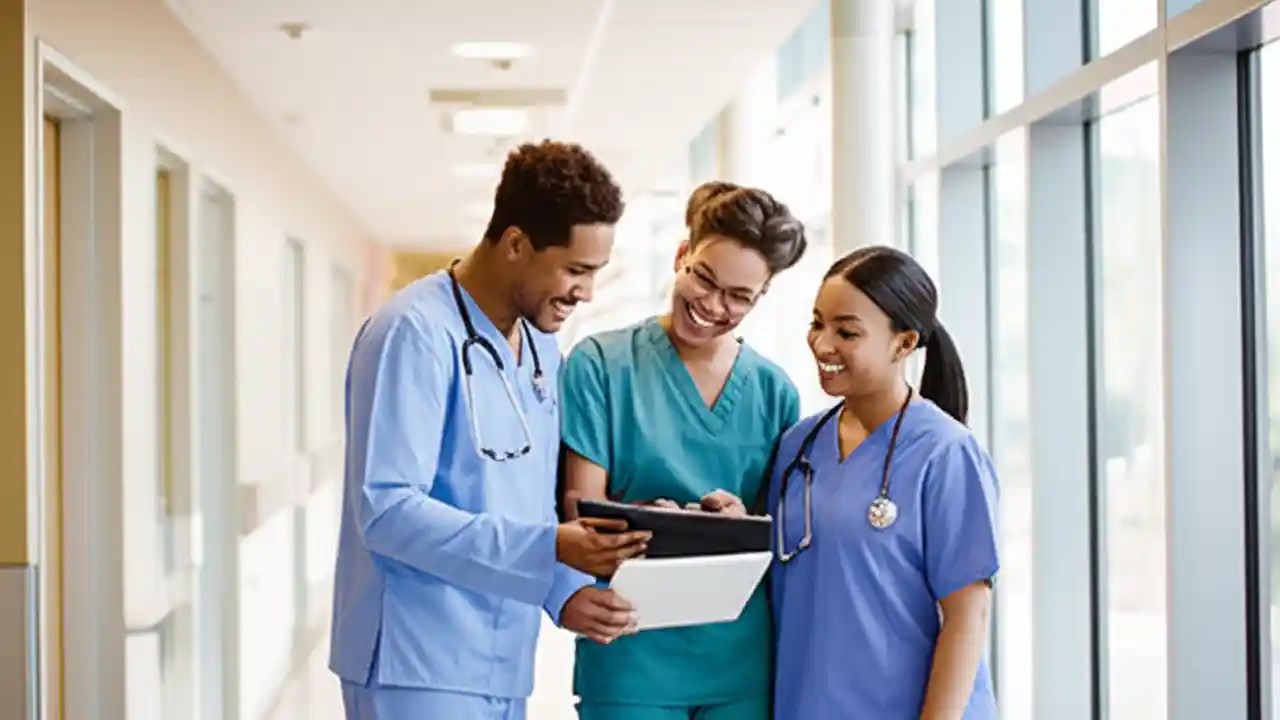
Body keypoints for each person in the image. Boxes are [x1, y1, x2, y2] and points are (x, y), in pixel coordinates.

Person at [329, 140, 653, 720]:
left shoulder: (539, 347)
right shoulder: (414, 333)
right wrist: (550, 546)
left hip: (502, 659)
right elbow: (386, 510)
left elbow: (525, 501)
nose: (586, 292)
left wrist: (563, 590)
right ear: (515, 244)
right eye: (576, 270)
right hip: (415, 661)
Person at [559, 181, 808, 720]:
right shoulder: (600, 364)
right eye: (704, 278)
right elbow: (580, 510)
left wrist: (740, 518)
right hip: (630, 646)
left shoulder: (774, 391)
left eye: (739, 297)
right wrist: (650, 519)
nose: (713, 306)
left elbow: (779, 529)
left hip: (740, 657)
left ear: (760, 297)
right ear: (681, 256)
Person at [767, 245, 1000, 719]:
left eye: (846, 331)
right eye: (817, 324)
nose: (822, 344)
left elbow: (967, 615)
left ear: (904, 342)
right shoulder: (798, 447)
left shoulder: (945, 453)